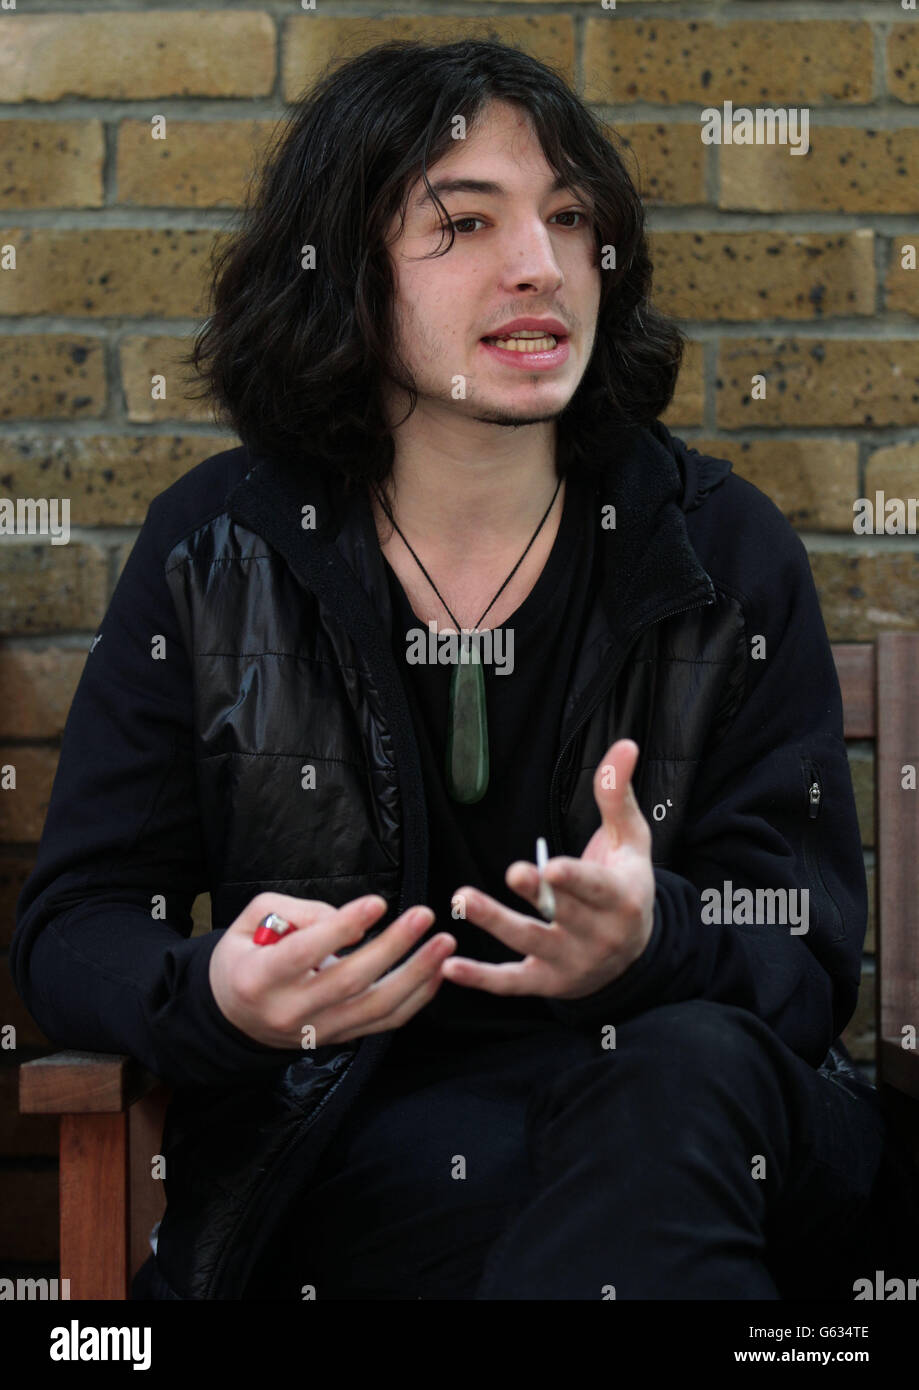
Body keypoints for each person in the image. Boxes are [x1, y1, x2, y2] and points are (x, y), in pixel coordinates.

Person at [11, 38, 897, 1301]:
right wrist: (217, 990)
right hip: (358, 1153)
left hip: (703, 1128)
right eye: (464, 222)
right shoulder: (220, 550)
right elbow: (73, 929)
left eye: (570, 216)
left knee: (678, 1077)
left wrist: (652, 940)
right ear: (346, 274)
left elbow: (804, 963)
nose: (540, 264)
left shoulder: (716, 548)